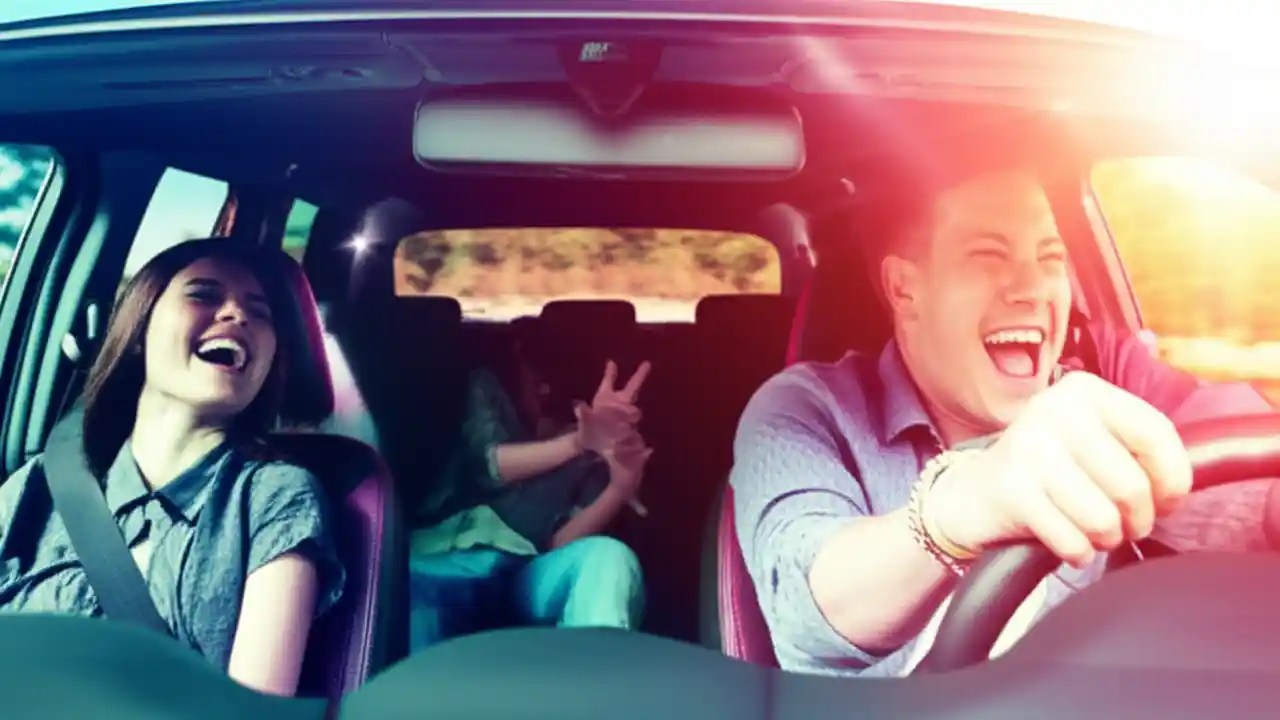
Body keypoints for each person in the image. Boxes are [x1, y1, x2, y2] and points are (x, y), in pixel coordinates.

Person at [729, 158, 1278, 678]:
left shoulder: (1106, 375)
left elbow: (1241, 463)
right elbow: (808, 614)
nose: (1032, 288)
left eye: (1050, 258)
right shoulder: (806, 408)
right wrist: (959, 512)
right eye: (988, 256)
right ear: (904, 289)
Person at [0, 239, 346, 696]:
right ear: (140, 330)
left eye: (260, 312)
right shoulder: (38, 485)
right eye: (203, 294)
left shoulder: (275, 496)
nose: (237, 316)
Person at [407, 317, 653, 651]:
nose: (543, 389)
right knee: (421, 594)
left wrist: (619, 488)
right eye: (538, 372)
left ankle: (597, 692)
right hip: (448, 558)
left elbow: (560, 542)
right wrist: (578, 443)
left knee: (609, 558)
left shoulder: (596, 450)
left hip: (527, 571)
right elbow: (490, 464)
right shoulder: (487, 389)